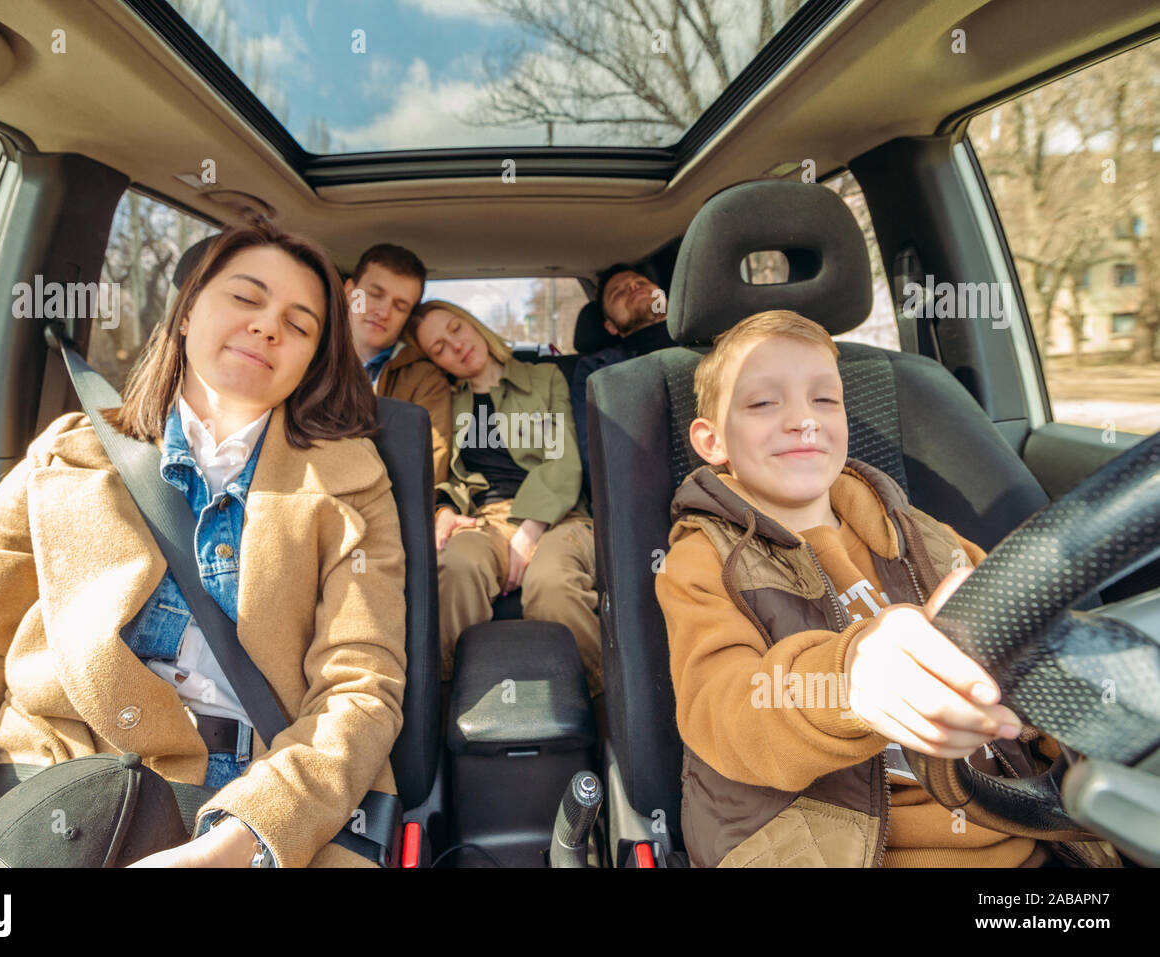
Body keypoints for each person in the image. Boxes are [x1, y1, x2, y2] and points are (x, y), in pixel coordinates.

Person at [0, 223, 407, 868]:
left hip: (263, 798)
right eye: (245, 298)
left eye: (300, 323)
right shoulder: (66, 456)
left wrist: (241, 841)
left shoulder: (352, 480)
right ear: (185, 314)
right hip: (46, 786)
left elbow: (360, 689)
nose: (268, 327)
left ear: (314, 358)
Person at [654, 309, 1120, 868]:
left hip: (1024, 826)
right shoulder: (704, 558)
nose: (805, 420)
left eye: (825, 400)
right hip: (850, 848)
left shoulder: (922, 534)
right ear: (711, 441)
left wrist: (1082, 720)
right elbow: (721, 710)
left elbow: (1026, 635)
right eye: (762, 403)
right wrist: (847, 685)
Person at [410, 300, 602, 698]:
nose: (456, 346)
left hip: (560, 515)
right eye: (439, 348)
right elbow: (442, 469)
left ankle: (604, 712)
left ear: (474, 323)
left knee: (553, 584)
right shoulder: (447, 400)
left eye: (456, 329)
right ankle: (449, 710)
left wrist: (531, 529)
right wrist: (443, 510)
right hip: (483, 518)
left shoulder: (546, 376)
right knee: (455, 568)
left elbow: (564, 458)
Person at [344, 243, 453, 485]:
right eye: (375, 294)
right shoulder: (304, 358)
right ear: (350, 292)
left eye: (400, 305)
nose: (383, 311)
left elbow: (428, 470)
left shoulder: (424, 380)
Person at [570, 264, 675, 493]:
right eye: (618, 292)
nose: (633, 286)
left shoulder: (710, 341)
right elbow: (598, 457)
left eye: (642, 283)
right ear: (610, 326)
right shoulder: (597, 371)